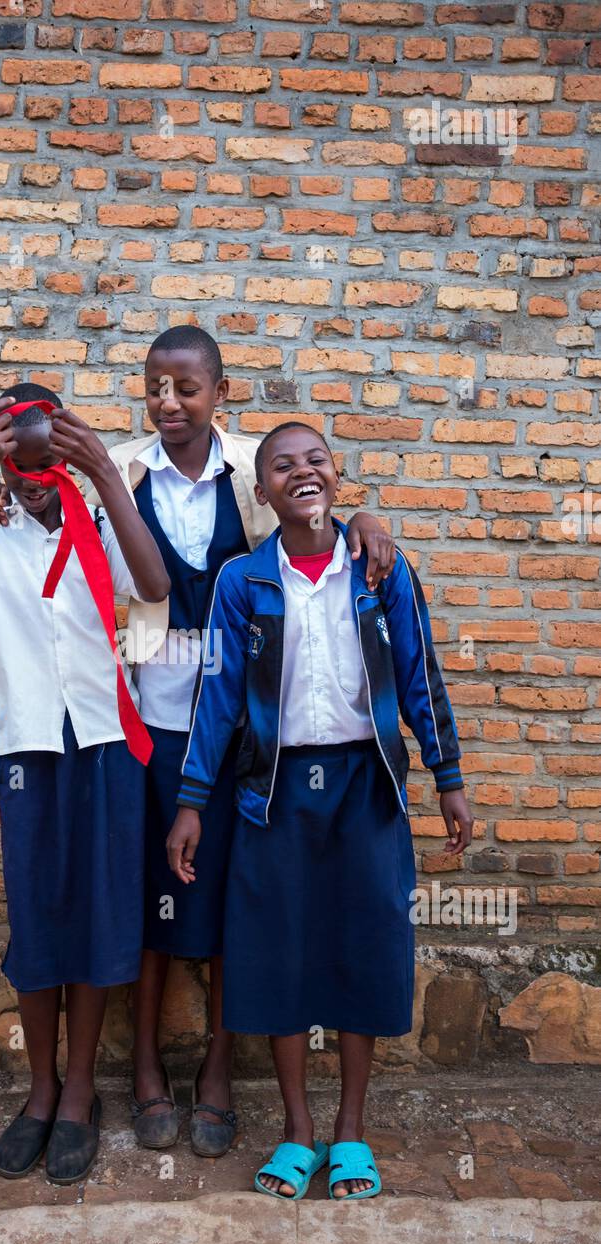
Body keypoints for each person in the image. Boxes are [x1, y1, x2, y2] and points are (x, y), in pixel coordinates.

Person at [0, 329, 395, 1158]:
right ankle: (148, 1074)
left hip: (245, 728)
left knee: (237, 895)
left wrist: (368, 518)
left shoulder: (253, 471)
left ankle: (217, 1069)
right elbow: (37, 511)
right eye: (155, 388)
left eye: (187, 390)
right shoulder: (117, 471)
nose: (169, 403)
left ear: (220, 393)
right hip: (146, 718)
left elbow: (312, 518)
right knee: (148, 894)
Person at [167, 420, 473, 1200]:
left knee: (362, 948)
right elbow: (218, 697)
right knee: (276, 953)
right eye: (281, 466)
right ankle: (298, 1132)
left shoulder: (379, 569)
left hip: (365, 786)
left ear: (336, 476)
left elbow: (417, 670)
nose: (301, 472)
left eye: (315, 460)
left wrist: (448, 776)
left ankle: (352, 1134)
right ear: (262, 489)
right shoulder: (246, 582)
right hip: (272, 790)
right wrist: (193, 800)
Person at [0, 384, 170, 1185]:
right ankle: (40, 1089)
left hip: (103, 740)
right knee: (37, 917)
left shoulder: (99, 516)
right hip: (27, 740)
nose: (31, 477)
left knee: (96, 913)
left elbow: (154, 589)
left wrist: (105, 479)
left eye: (45, 459)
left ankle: (81, 1092)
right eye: (15, 461)